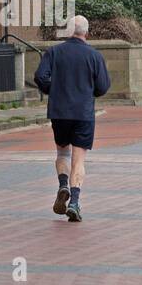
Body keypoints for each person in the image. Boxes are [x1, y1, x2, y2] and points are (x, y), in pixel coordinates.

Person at [34, 15, 111, 223]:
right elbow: (103, 87)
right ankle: (75, 202)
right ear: (86, 32)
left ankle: (62, 185)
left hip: (59, 112)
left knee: (62, 153)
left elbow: (40, 77)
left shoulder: (54, 52)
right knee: (79, 159)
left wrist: (54, 90)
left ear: (69, 31)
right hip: (83, 114)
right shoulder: (94, 56)